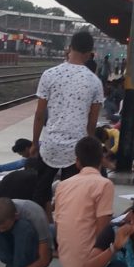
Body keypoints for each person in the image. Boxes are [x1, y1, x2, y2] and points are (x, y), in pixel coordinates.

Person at [32, 30, 103, 209]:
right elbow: (92, 123)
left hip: (50, 145)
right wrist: (90, 144)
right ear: (89, 53)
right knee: (71, 196)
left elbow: (39, 115)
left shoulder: (49, 74)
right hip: (76, 150)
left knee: (40, 192)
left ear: (70, 47)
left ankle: (43, 227)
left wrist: (34, 142)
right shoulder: (94, 81)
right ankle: (63, 229)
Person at [54, 136, 114, 267]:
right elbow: (103, 228)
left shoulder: (62, 185)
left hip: (65, 252)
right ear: (102, 159)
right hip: (87, 259)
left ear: (77, 162)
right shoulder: (104, 184)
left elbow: (58, 220)